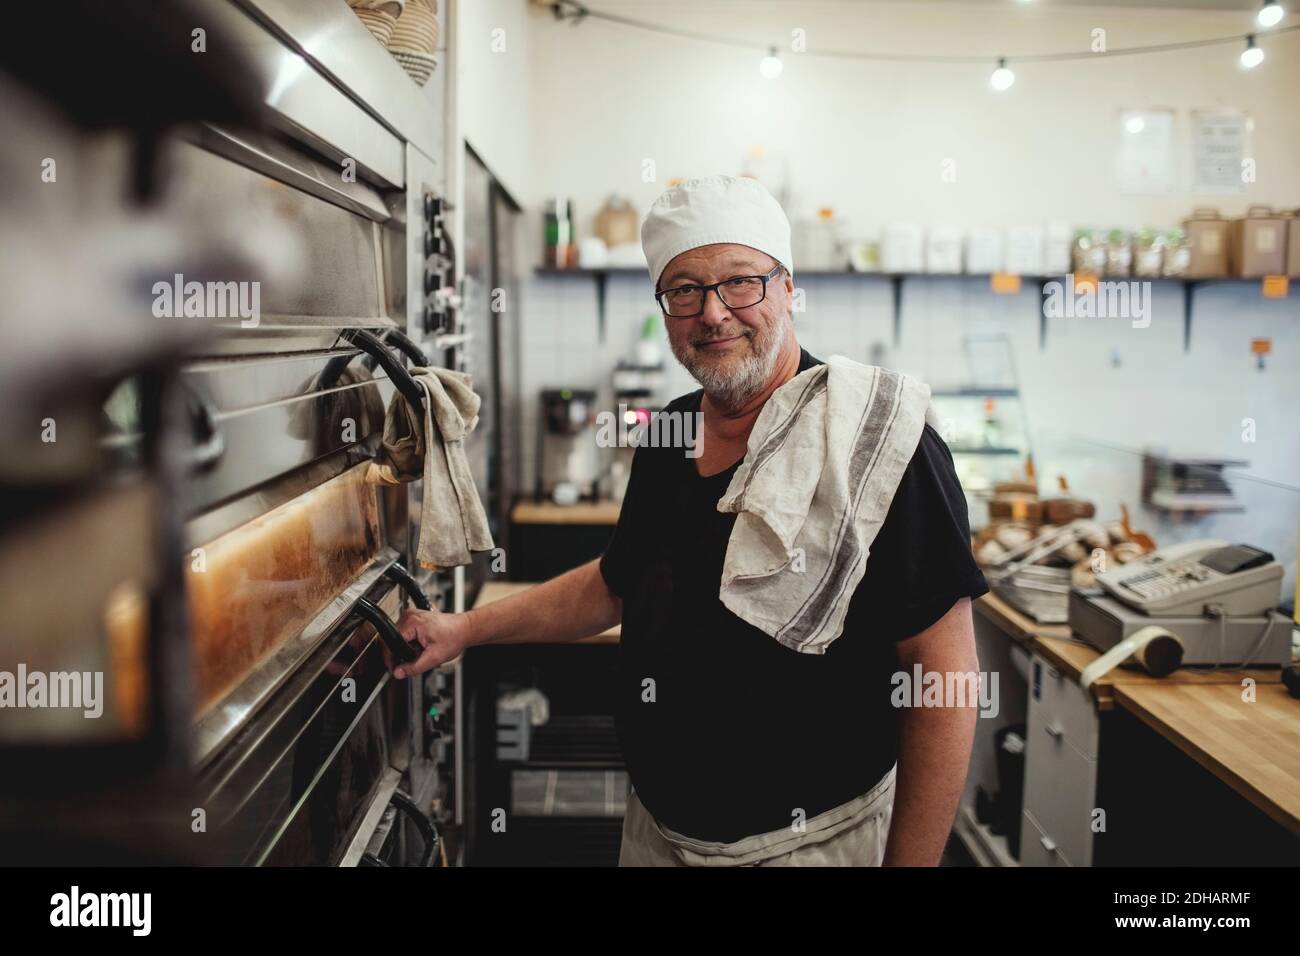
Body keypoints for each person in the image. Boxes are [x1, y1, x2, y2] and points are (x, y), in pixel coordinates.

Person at [395, 174, 988, 866]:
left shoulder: (873, 443)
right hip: (657, 834)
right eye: (684, 290)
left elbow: (943, 682)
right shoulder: (671, 431)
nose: (713, 313)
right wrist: (462, 630)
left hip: (810, 845)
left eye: (742, 282)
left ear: (788, 289)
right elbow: (617, 585)